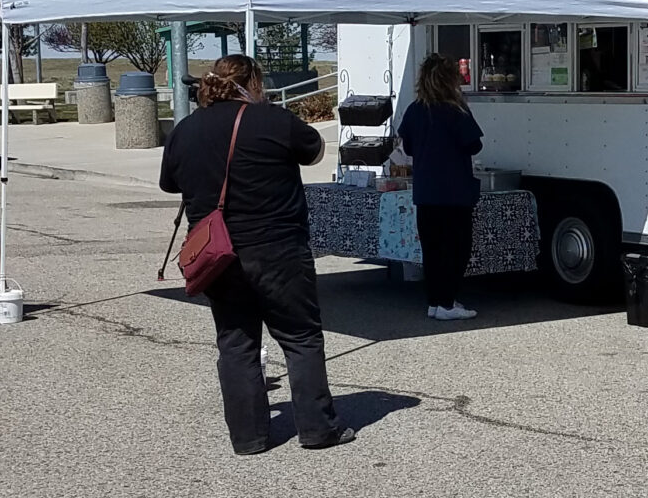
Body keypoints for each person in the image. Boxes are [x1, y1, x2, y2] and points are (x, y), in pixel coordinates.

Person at [159, 53, 354, 455]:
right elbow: (315, 150)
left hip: (218, 253)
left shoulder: (186, 130)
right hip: (278, 247)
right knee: (299, 336)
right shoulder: (273, 120)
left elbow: (168, 183)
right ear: (253, 82)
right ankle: (318, 429)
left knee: (236, 341)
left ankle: (248, 437)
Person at [395, 52, 483, 322]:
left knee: (432, 250)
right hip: (454, 192)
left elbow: (407, 147)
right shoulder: (456, 111)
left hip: (425, 192)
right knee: (456, 249)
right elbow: (474, 144)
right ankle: (447, 301)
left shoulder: (414, 110)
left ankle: (435, 301)